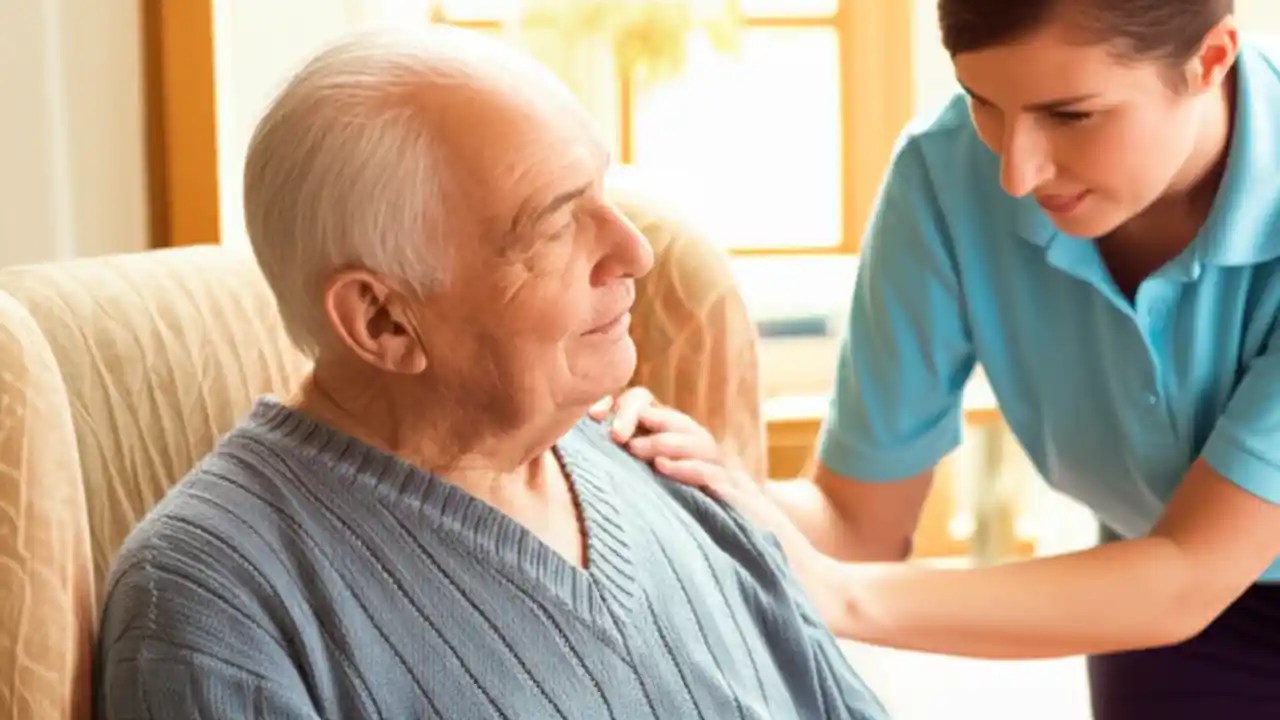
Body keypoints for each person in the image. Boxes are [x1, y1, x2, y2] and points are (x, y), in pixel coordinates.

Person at [92, 26, 891, 720]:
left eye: (603, 193)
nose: (633, 252)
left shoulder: (660, 466)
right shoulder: (211, 606)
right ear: (382, 319)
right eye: (552, 226)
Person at [596, 1, 1280, 717]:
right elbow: (858, 523)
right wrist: (717, 485)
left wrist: (835, 595)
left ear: (1211, 60)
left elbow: (1184, 576)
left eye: (1071, 115)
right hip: (1149, 592)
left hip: (1167, 585)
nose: (1016, 173)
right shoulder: (945, 173)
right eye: (982, 102)